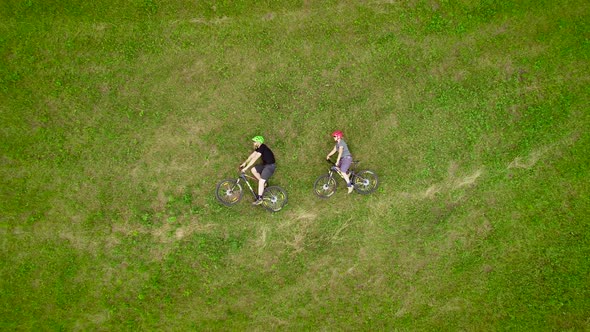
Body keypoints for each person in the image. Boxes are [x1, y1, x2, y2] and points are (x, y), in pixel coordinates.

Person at [240, 135, 276, 205]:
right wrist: (244, 163)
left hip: (270, 166)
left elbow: (255, 158)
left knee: (261, 182)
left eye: (254, 142)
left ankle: (260, 199)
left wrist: (246, 168)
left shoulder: (262, 147)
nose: (253, 143)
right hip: (266, 165)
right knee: (253, 170)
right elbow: (252, 156)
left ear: (258, 142)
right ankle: (264, 184)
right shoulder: (259, 148)